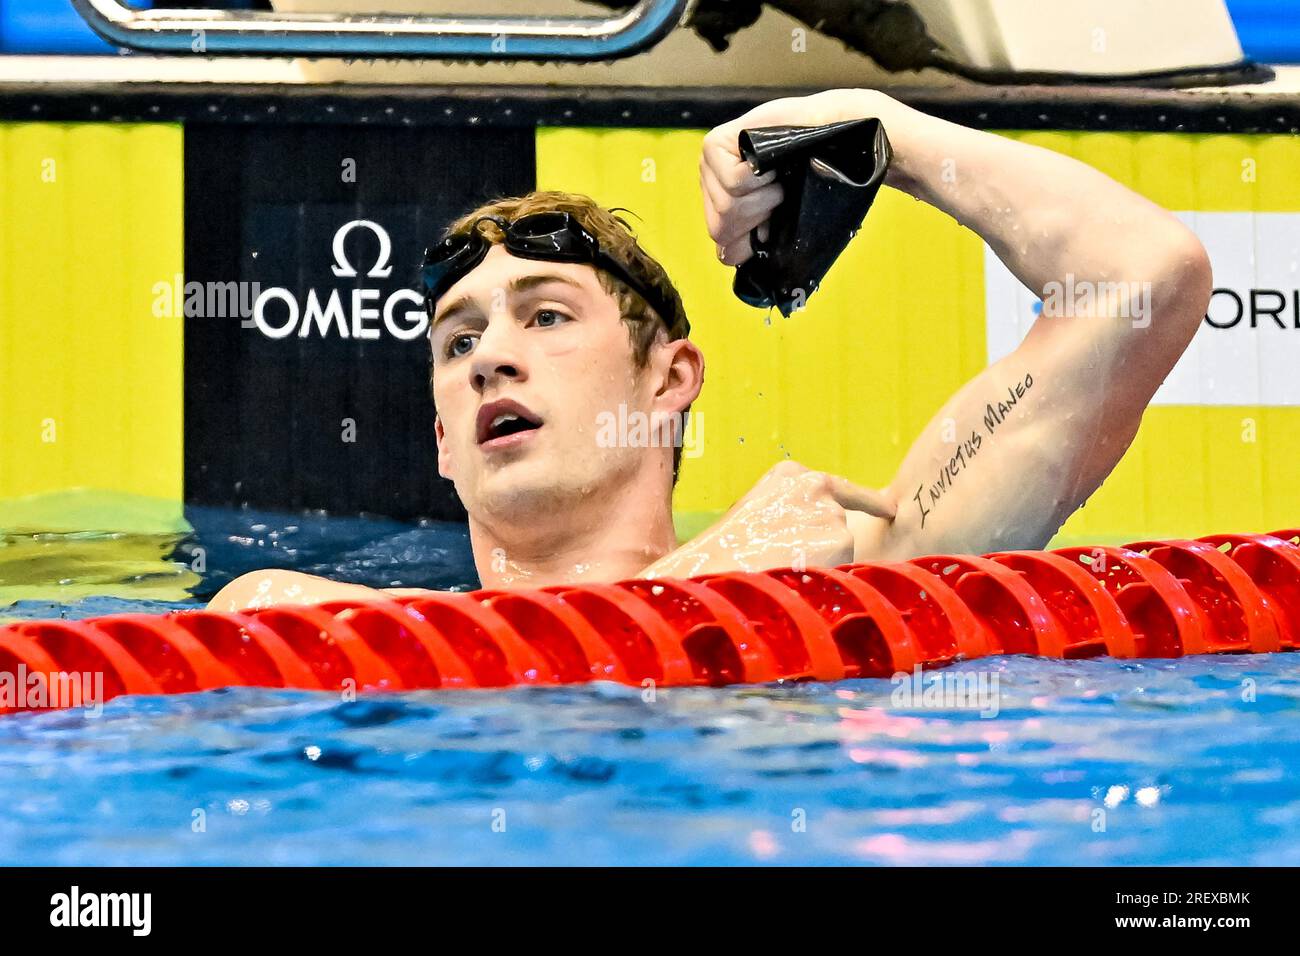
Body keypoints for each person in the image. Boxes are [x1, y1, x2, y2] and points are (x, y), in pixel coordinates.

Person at [208, 87, 1211, 611]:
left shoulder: (857, 572)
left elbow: (1146, 277)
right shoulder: (299, 615)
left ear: (670, 379)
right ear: (441, 439)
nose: (489, 359)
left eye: (546, 315)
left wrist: (876, 129)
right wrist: (713, 575)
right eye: (459, 337)